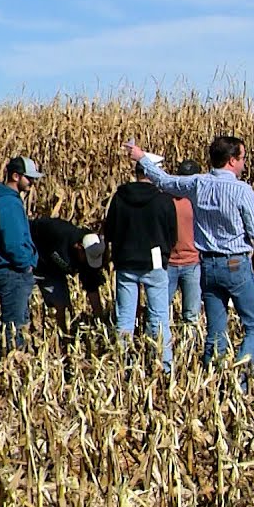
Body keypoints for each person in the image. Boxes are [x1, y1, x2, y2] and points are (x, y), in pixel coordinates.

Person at [124, 136, 254, 379]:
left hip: (208, 266)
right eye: (242, 159)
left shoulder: (198, 183)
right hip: (235, 264)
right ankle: (240, 380)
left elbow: (165, 181)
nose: (244, 164)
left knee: (215, 331)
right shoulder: (242, 190)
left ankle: (212, 379)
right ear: (232, 161)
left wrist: (142, 158)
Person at [105, 153, 179, 373]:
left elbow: (110, 230)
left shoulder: (119, 197)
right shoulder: (163, 199)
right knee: (159, 318)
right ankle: (164, 367)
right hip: (154, 263)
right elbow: (171, 233)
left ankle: (123, 367)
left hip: (126, 263)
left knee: (125, 318)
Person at [0, 156, 42, 357]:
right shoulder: (8, 203)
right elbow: (13, 242)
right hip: (12, 271)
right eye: (29, 178)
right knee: (15, 325)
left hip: (7, 270)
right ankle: (12, 363)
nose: (32, 182)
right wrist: (26, 264)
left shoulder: (5, 200)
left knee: (17, 321)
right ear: (16, 176)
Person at [29, 217, 106, 332]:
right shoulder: (58, 231)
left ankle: (61, 339)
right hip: (31, 265)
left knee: (62, 307)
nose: (88, 261)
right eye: (87, 257)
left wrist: (99, 319)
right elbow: (29, 229)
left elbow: (92, 287)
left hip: (53, 273)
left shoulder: (90, 257)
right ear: (79, 247)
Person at [167, 159, 203, 325]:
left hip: (193, 263)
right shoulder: (166, 201)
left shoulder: (201, 203)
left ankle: (190, 348)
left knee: (192, 316)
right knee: (161, 314)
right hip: (169, 263)